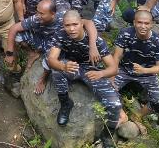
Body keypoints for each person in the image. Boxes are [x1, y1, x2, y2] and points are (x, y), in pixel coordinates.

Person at [47, 10, 121, 148]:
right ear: (63, 26)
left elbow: (114, 68)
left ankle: (107, 134)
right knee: (56, 71)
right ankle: (65, 104)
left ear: (82, 24)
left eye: (75, 24)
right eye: (67, 25)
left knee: (115, 105)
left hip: (91, 71)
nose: (71, 28)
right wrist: (63, 66)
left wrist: (101, 74)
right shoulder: (61, 35)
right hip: (72, 67)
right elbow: (51, 59)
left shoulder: (97, 41)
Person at [4, 0, 100, 95]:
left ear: (53, 14)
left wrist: (93, 46)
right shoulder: (37, 18)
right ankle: (32, 53)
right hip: (42, 40)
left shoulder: (64, 18)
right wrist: (9, 53)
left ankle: (43, 79)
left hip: (57, 45)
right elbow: (14, 28)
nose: (37, 15)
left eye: (41, 14)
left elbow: (89, 23)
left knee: (51, 56)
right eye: (37, 12)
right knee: (18, 36)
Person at [112, 9, 159, 119]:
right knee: (107, 89)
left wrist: (144, 70)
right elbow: (117, 56)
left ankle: (137, 115)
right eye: (139, 22)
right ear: (134, 23)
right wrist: (112, 76)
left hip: (147, 74)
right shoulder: (126, 33)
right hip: (124, 70)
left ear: (152, 24)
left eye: (146, 23)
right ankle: (122, 114)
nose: (143, 26)